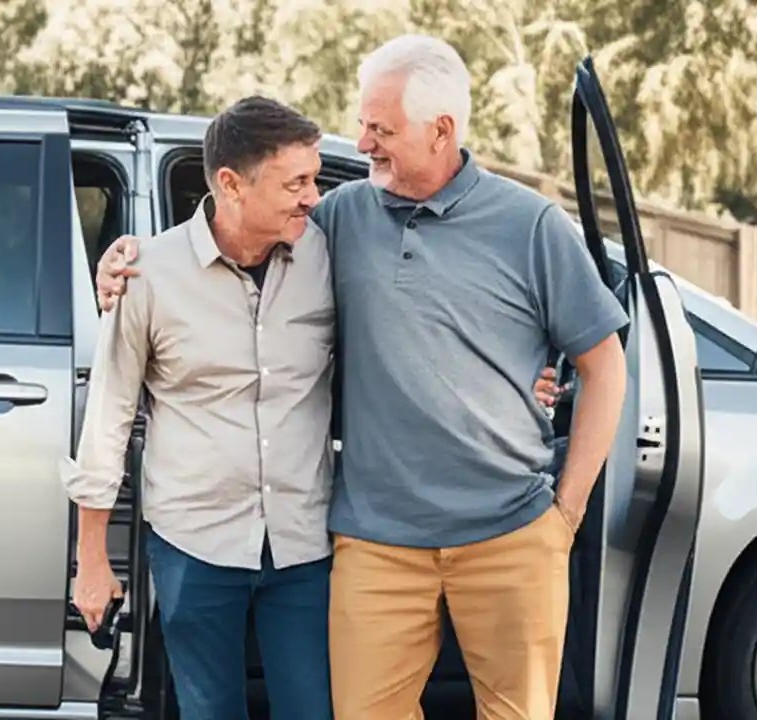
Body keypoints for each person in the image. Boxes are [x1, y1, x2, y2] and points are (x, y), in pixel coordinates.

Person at [93, 34, 629, 720]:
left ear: (442, 131)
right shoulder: (335, 220)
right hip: (375, 543)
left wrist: (567, 513)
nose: (364, 141)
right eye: (363, 122)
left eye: (381, 127)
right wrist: (124, 263)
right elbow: (236, 241)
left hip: (510, 533)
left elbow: (603, 363)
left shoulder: (531, 226)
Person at [60, 96, 337, 719]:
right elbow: (107, 419)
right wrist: (92, 561)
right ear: (232, 185)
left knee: (314, 711)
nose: (313, 197)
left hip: (302, 544)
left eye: (315, 178)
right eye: (296, 182)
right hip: (195, 544)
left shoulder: (327, 255)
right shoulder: (148, 274)